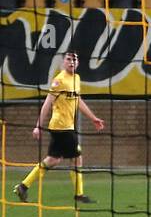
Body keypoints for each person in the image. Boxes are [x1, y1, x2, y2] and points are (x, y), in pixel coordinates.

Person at [13, 51, 106, 206]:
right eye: (68, 59)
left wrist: (93, 118)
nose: (71, 62)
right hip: (61, 128)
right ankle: (79, 195)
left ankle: (23, 186)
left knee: (53, 160)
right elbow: (47, 104)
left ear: (78, 62)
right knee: (77, 158)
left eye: (74, 59)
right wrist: (38, 126)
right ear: (63, 62)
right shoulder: (59, 80)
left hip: (65, 128)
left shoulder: (76, 79)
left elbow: (78, 101)